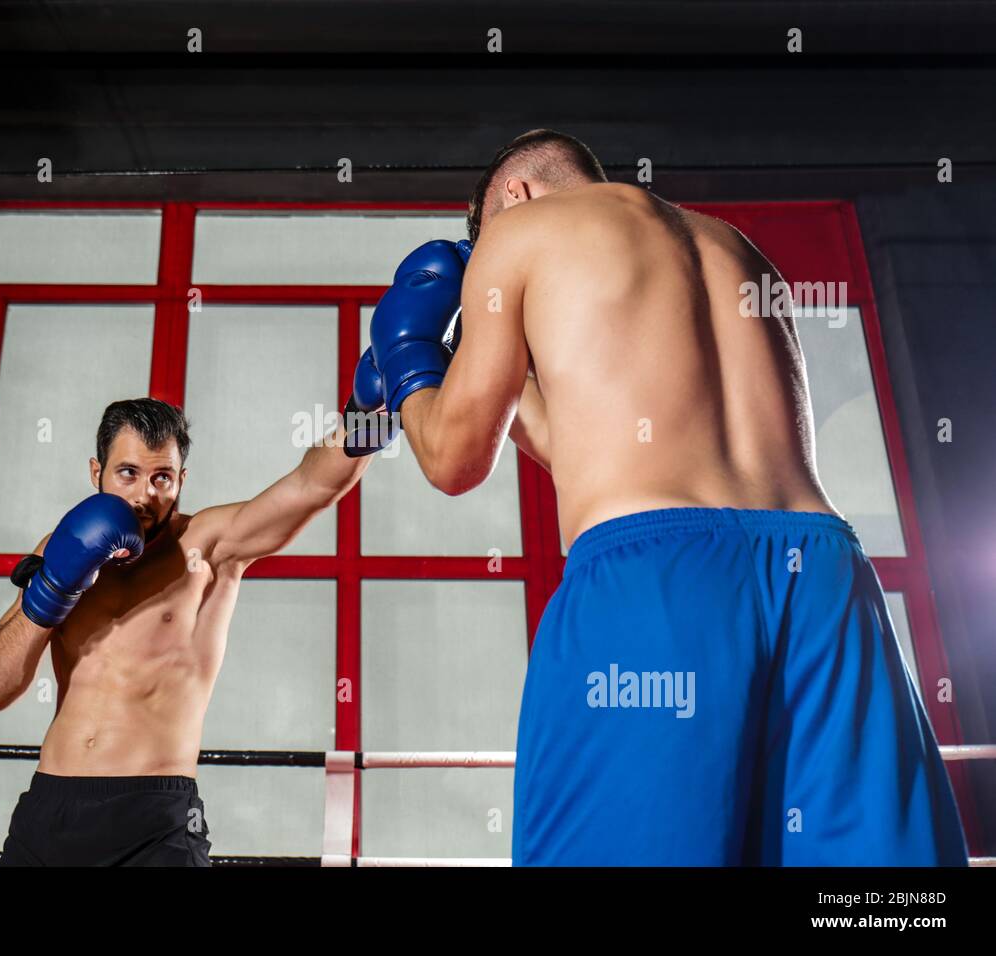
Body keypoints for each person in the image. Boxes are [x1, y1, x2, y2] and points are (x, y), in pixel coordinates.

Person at [376, 129, 969, 865]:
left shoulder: (520, 229)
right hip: (825, 577)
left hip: (657, 580)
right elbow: (598, 439)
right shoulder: (732, 248)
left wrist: (409, 367)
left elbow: (454, 457)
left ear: (515, 196)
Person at [0, 392, 387, 866]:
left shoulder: (209, 545)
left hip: (154, 822)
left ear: (181, 480)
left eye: (162, 478)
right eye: (127, 473)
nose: (145, 495)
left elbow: (312, 484)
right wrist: (51, 589)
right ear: (97, 473)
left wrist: (373, 409)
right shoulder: (61, 546)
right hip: (50, 811)